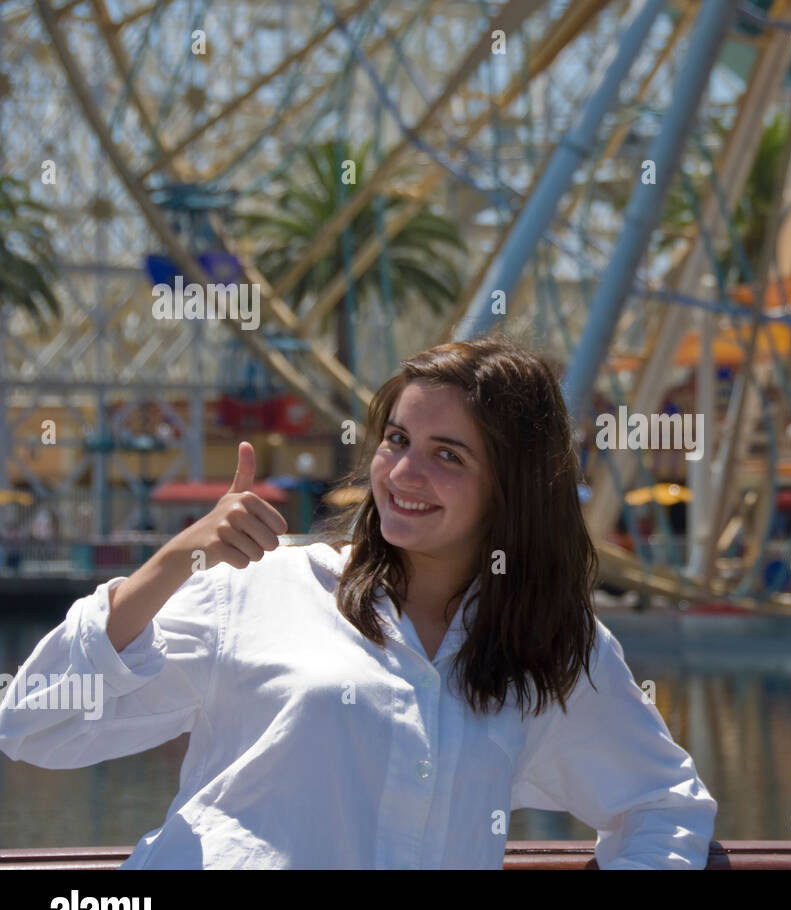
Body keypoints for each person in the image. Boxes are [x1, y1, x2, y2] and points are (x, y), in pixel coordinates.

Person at [0, 337, 717, 869]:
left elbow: (665, 809)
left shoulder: (557, 644)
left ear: (514, 487)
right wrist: (173, 560)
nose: (403, 473)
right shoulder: (265, 584)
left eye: (448, 455)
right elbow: (33, 723)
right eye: (397, 440)